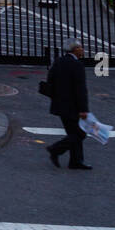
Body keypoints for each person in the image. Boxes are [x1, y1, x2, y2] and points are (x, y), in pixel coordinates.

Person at [45, 40, 92, 170]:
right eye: (80, 47)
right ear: (75, 50)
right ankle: (55, 149)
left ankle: (76, 161)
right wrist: (83, 109)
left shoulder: (58, 61)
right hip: (73, 106)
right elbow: (80, 89)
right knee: (80, 134)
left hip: (59, 104)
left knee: (73, 132)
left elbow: (50, 80)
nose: (83, 49)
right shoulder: (77, 65)